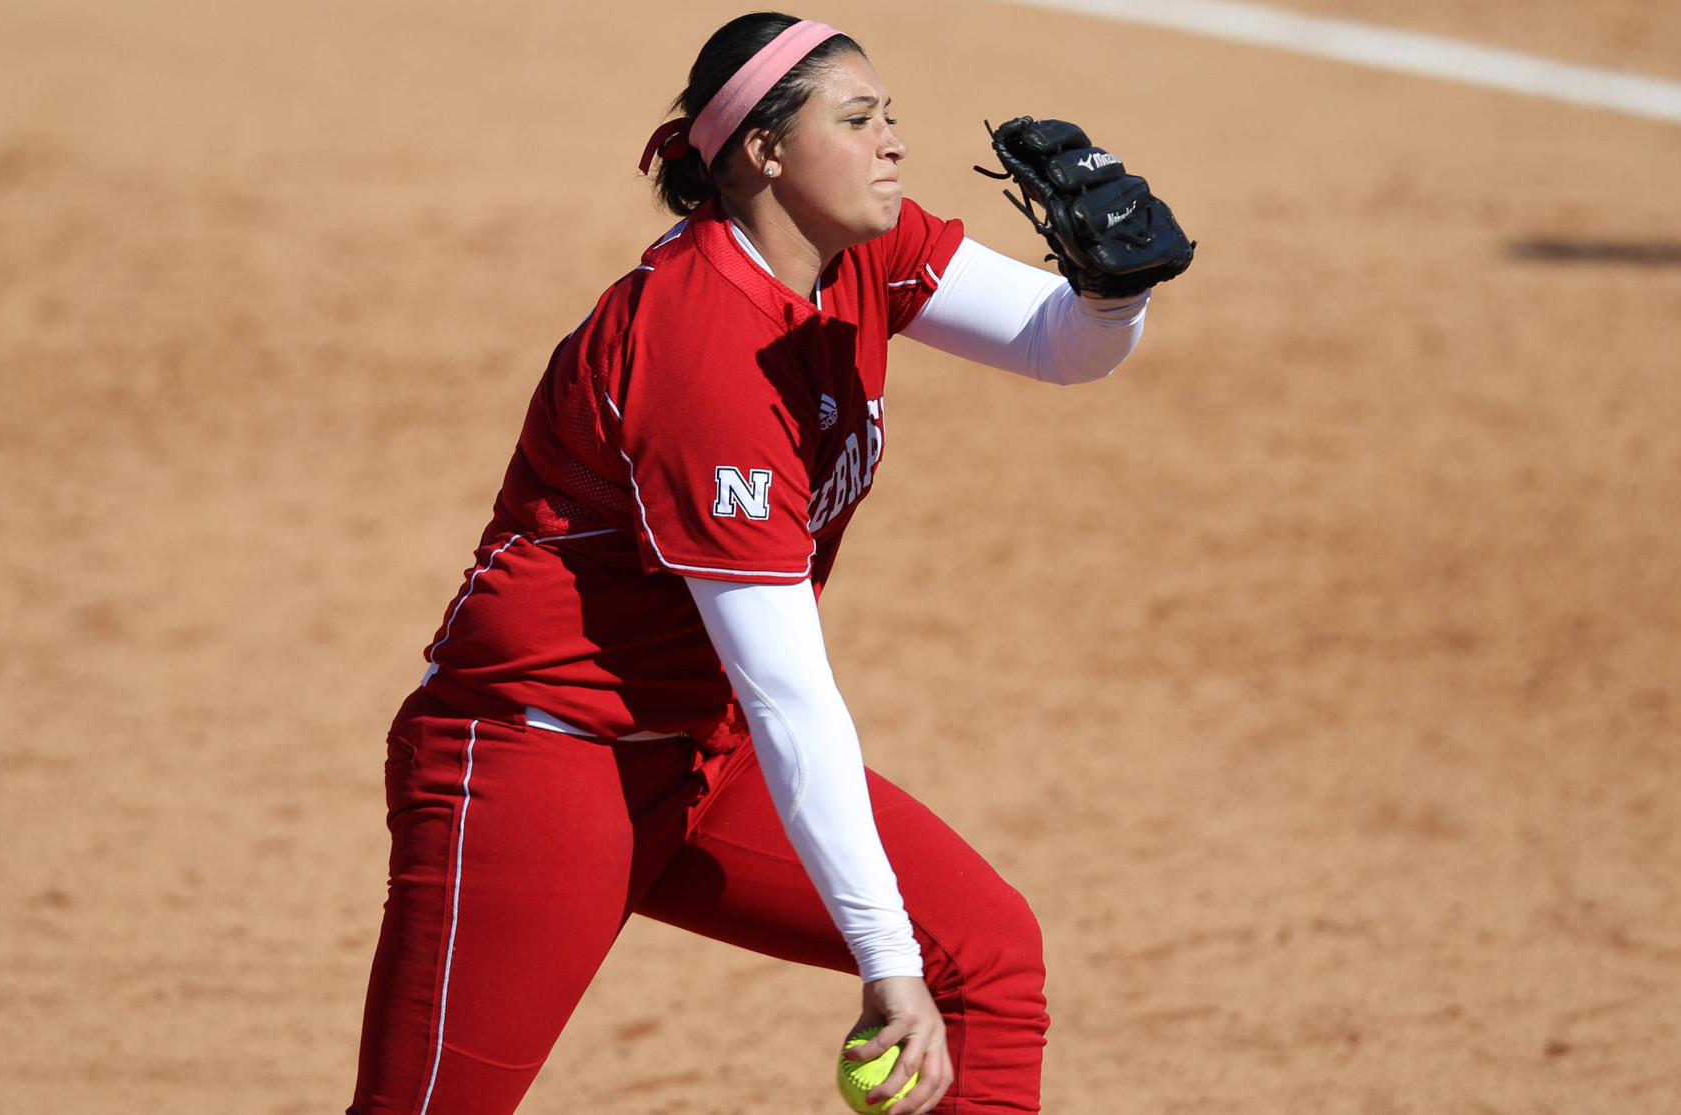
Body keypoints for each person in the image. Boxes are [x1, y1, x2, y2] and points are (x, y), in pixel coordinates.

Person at [347, 12, 1174, 1115]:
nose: (894, 143)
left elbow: (1056, 344)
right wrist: (885, 960)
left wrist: (1117, 294)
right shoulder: (702, 347)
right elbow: (789, 691)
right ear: (763, 150)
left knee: (984, 957)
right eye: (859, 118)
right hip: (540, 760)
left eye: (892, 116)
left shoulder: (865, 248)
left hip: (705, 749)